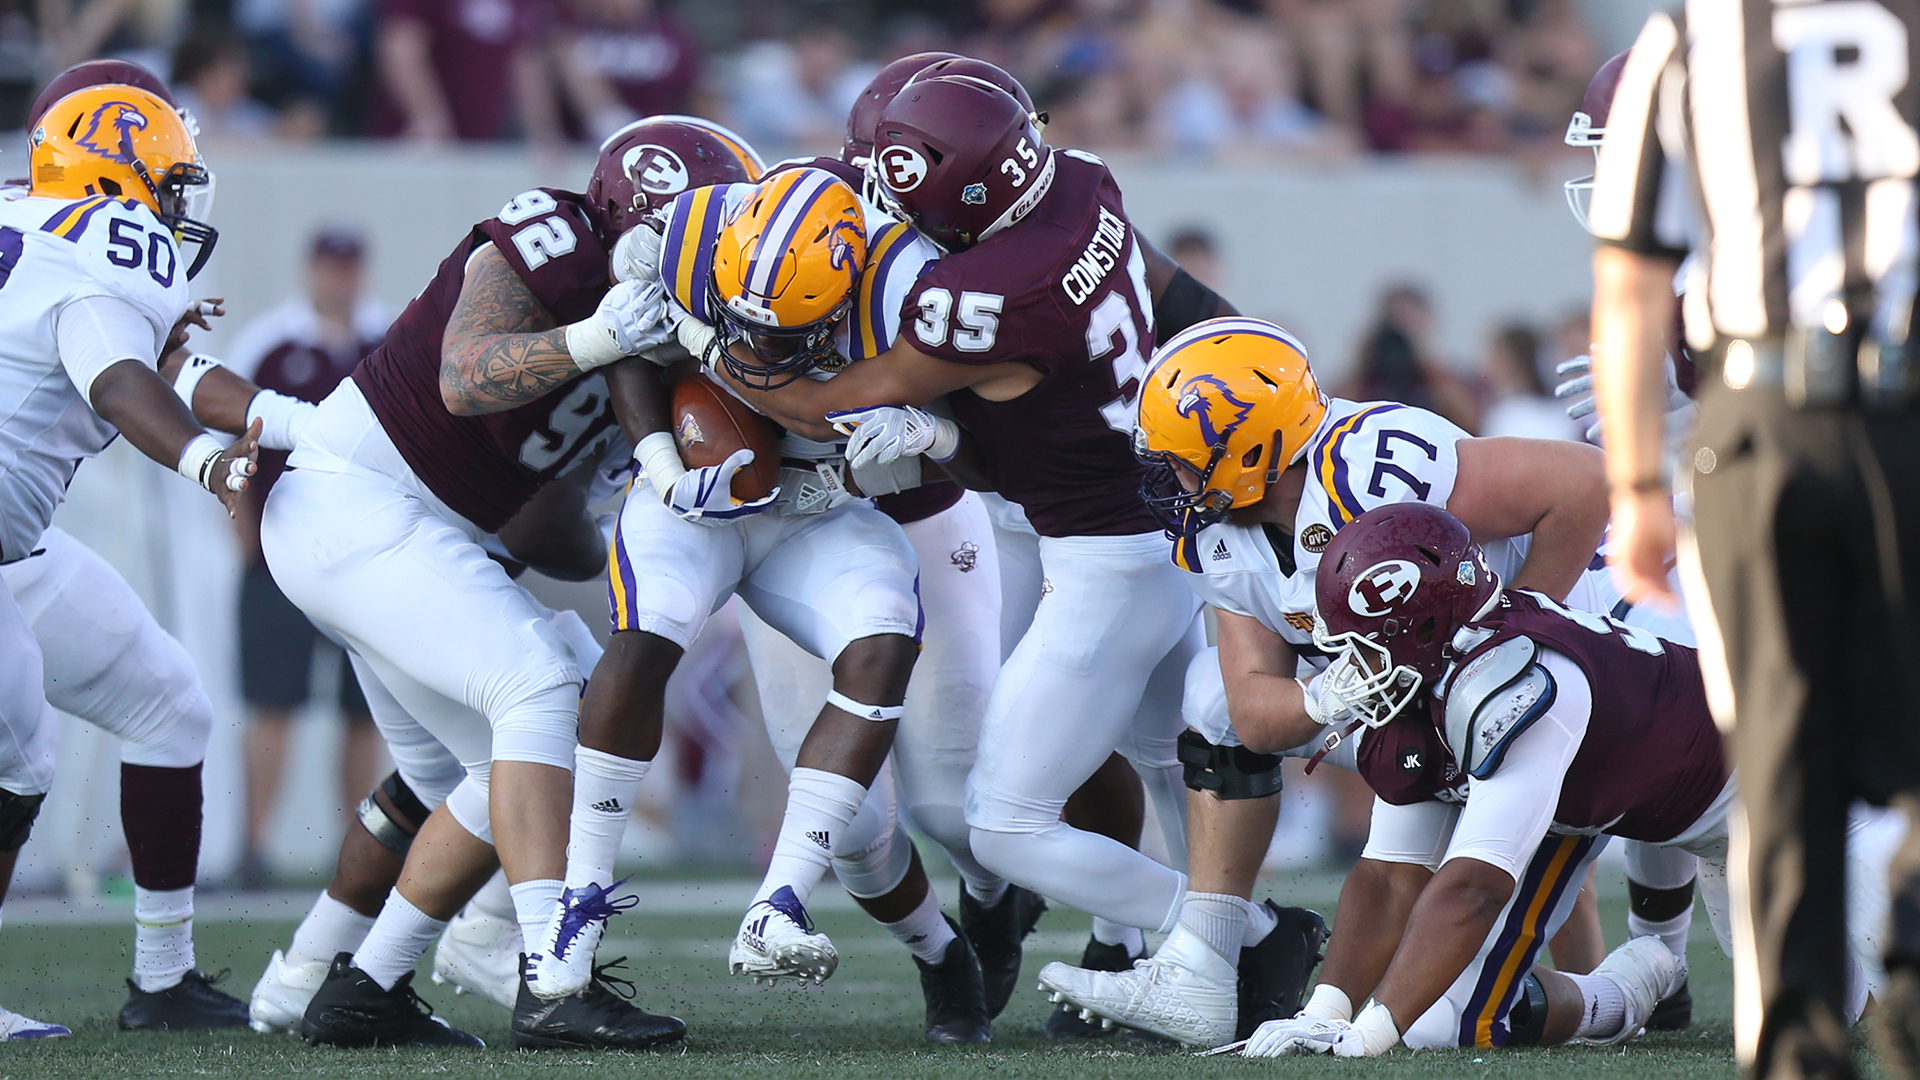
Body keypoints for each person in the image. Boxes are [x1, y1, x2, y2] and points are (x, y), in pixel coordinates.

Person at [701, 73, 1257, 1006]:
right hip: (1116, 506)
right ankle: (1180, 953)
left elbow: (838, 401)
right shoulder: (1080, 180)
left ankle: (1221, 941)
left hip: (1090, 535)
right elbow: (1180, 297)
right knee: (1142, 745)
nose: (872, 189)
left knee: (1004, 814)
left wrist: (714, 347)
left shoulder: (984, 290)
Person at [237, 118, 748, 1050]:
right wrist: (593, 339)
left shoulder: (664, 338)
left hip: (419, 535)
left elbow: (544, 528)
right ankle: (550, 974)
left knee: (511, 745)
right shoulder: (557, 240)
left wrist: (646, 514)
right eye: (703, 239)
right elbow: (465, 376)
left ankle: (348, 982)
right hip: (359, 500)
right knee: (541, 690)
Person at [1035, 315, 1623, 1045]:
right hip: (1417, 696)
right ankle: (1202, 963)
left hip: (1547, 682)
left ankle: (1633, 984)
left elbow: (1583, 485)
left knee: (1455, 1006)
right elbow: (1254, 711)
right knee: (1210, 695)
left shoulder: (1369, 467)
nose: (1170, 480)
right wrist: (1324, 697)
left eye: (1183, 460)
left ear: (1249, 451)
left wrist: (1511, 633)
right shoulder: (1219, 533)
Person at [1587, 5, 1920, 1078]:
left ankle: (1796, 1053)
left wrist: (1636, 483)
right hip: (1902, 410)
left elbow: (1630, 279)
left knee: (1780, 766)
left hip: (1757, 420)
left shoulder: (1692, 37)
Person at [1236, 502, 1714, 1055]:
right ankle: (1621, 994)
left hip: (1747, 795)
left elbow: (1475, 888)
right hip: (1607, 800)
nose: (1351, 669)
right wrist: (1323, 1014)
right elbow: (1389, 873)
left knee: (1799, 1006)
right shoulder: (1434, 671)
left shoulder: (1517, 681)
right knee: (1437, 1020)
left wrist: (1367, 1037)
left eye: (1365, 645)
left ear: (1422, 628)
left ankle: (1627, 992)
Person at [0, 81, 259, 1039]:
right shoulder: (108, 245)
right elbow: (114, 381)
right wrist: (206, 461)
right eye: (170, 180)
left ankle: (164, 977)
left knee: (167, 704)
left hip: (17, 547)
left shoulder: (26, 218)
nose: (178, 205)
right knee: (22, 752)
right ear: (116, 170)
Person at [228, 226, 390, 886]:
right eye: (330, 268)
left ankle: (355, 847)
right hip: (281, 554)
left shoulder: (384, 341)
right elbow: (229, 439)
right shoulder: (270, 344)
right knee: (274, 703)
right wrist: (245, 538)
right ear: (312, 270)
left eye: (348, 268)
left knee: (365, 710)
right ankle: (254, 846)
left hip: (366, 558)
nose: (339, 281)